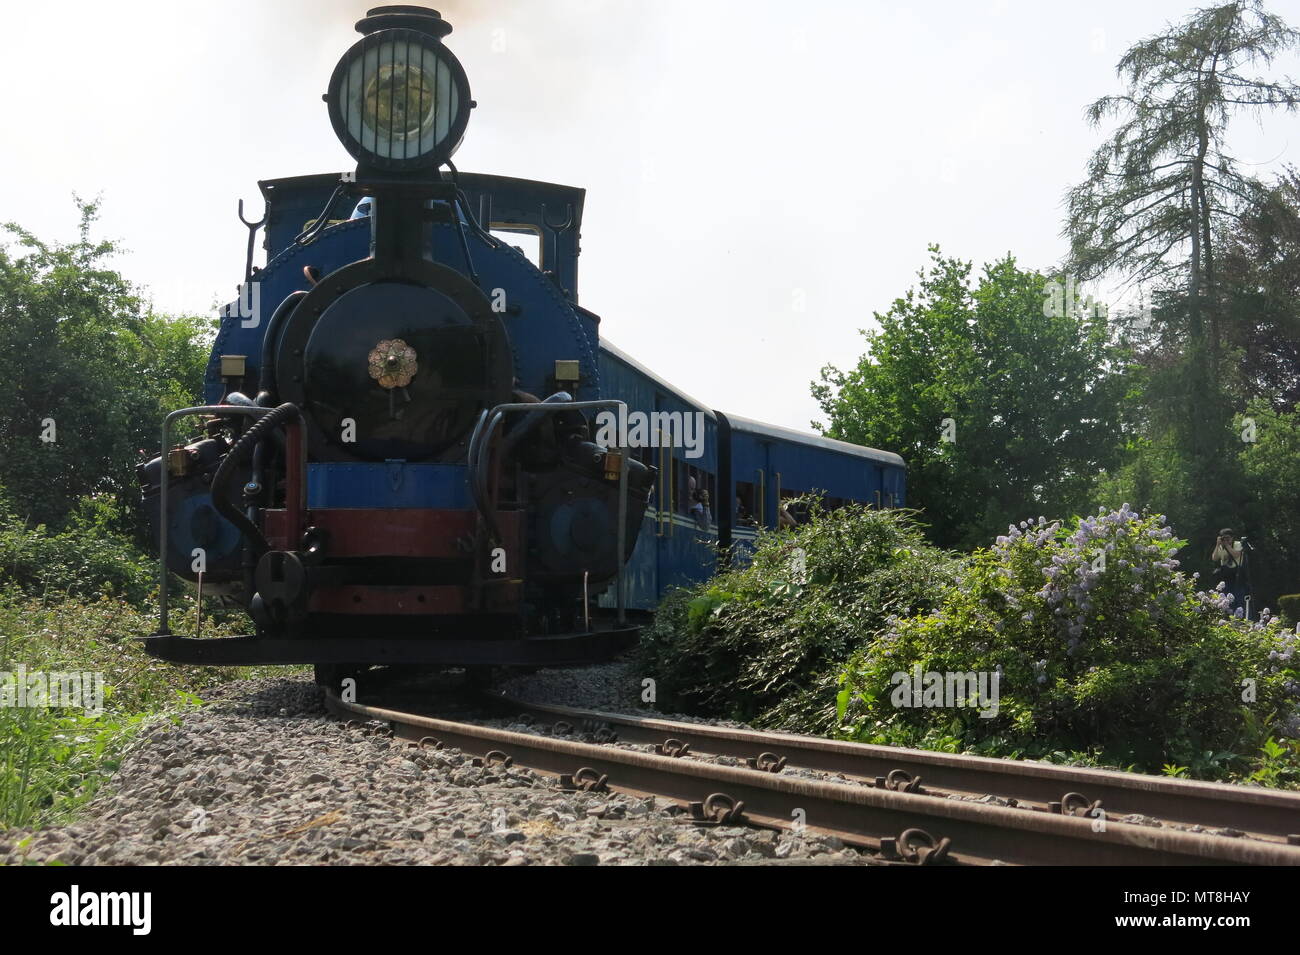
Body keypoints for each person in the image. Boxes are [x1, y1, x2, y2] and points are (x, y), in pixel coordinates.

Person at [1211, 528, 1248, 615]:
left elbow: (1236, 555)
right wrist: (1217, 545)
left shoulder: (1237, 544)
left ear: (1232, 537)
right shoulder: (1221, 547)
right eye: (1224, 538)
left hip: (1237, 574)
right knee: (1226, 597)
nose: (1226, 540)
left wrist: (1227, 545)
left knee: (1238, 597)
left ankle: (1240, 616)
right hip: (1226, 575)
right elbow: (1214, 558)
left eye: (1228, 538)